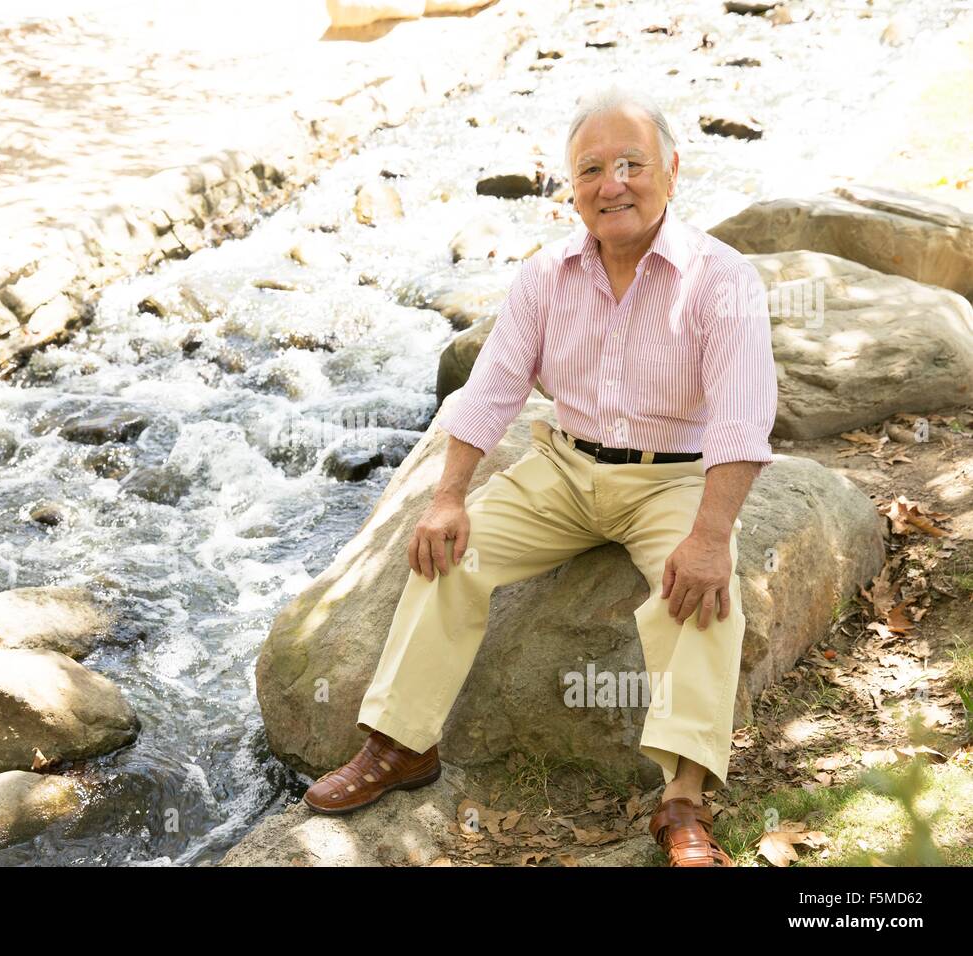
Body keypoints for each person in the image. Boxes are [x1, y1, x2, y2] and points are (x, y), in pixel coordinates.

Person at [302, 85, 778, 867]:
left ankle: (682, 800)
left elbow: (741, 419)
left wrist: (711, 535)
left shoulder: (721, 279)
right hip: (563, 467)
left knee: (701, 598)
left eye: (632, 163)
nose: (612, 183)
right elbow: (491, 388)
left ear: (672, 170)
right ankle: (400, 745)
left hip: (674, 479)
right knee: (446, 554)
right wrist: (448, 495)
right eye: (592, 168)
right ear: (570, 185)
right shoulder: (545, 276)